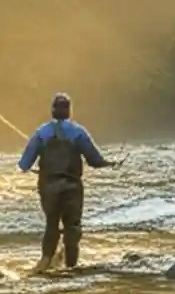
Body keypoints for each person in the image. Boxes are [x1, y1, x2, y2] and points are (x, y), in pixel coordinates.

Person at [17, 92, 117, 274]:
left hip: (49, 188)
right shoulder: (78, 132)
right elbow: (94, 160)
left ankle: (45, 262)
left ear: (52, 110)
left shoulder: (41, 133)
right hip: (72, 187)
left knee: (51, 224)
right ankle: (71, 266)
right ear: (69, 111)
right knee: (72, 227)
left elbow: (24, 165)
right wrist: (109, 163)